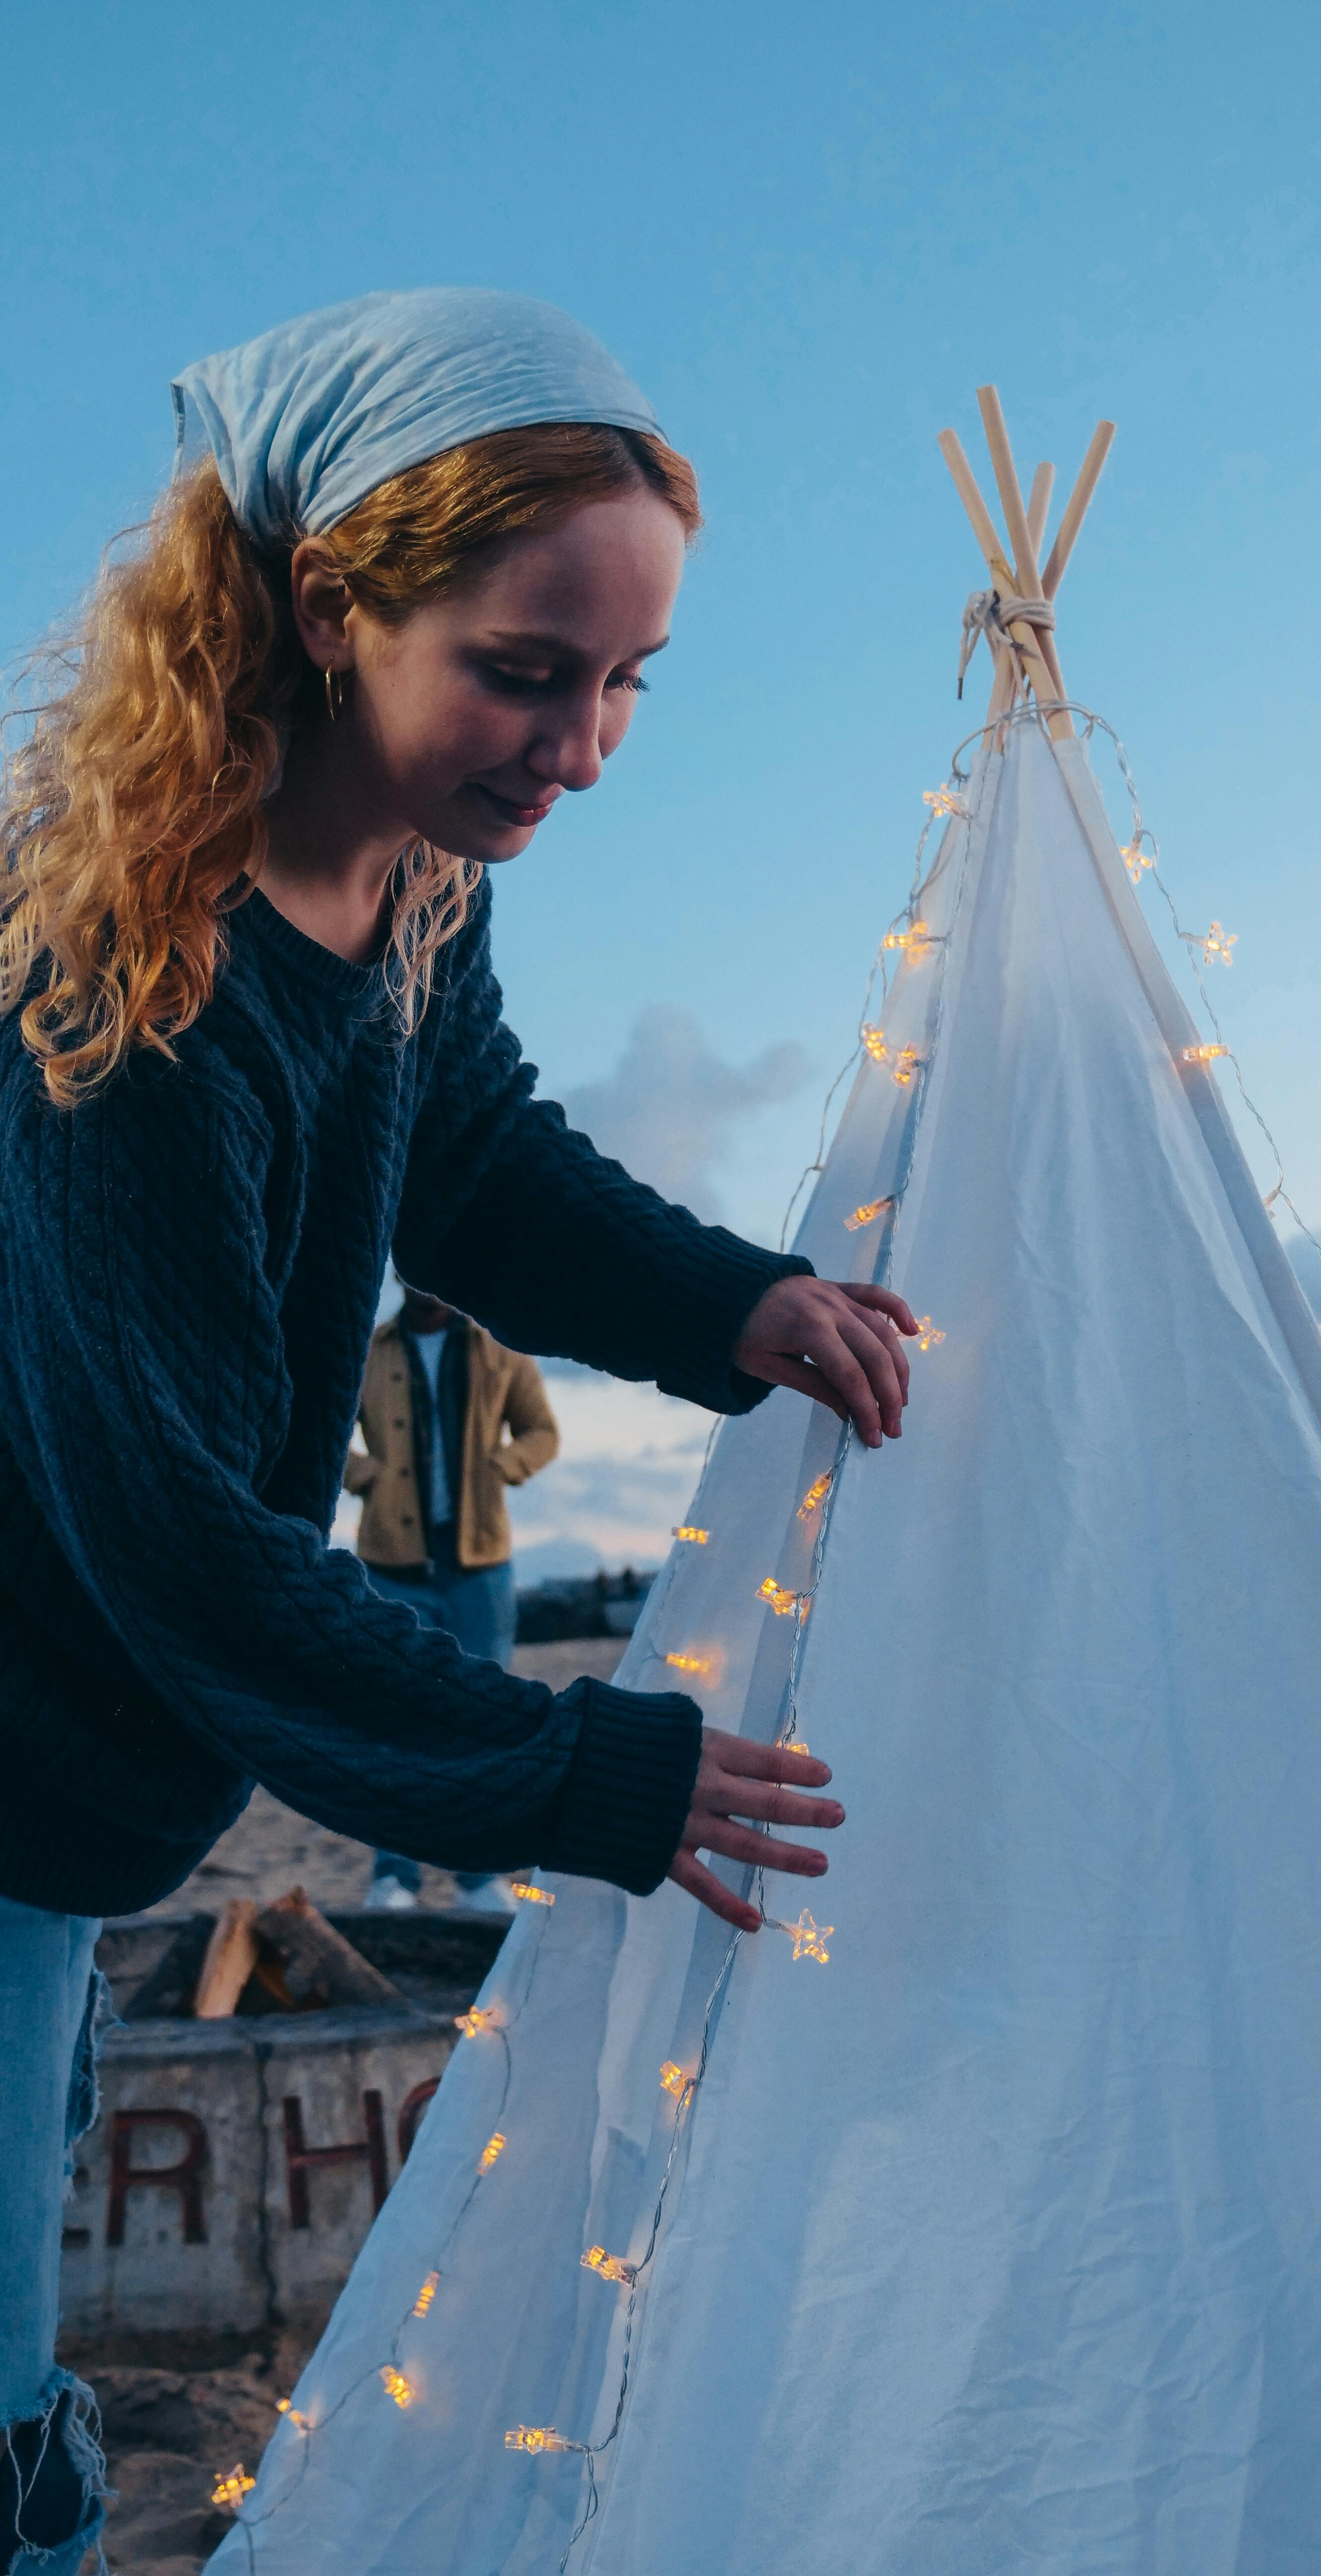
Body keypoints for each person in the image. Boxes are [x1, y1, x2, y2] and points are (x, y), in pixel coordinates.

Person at [0, 288, 916, 2574]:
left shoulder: (409, 877)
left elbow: (479, 1161)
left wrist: (738, 1305)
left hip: (78, 1781)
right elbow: (182, 1540)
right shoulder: (116, 976)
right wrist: (587, 1775)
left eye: (628, 681)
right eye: (525, 669)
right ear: (330, 604)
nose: (583, 748)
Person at [347, 1284, 560, 1910]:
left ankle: (478, 1877)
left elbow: (542, 1431)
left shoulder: (501, 1346)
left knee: (485, 1718)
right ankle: (394, 1877)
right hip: (391, 1559)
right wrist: (363, 1475)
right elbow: (319, 1426)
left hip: (480, 1561)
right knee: (393, 1719)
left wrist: (503, 1467)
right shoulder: (366, 1349)